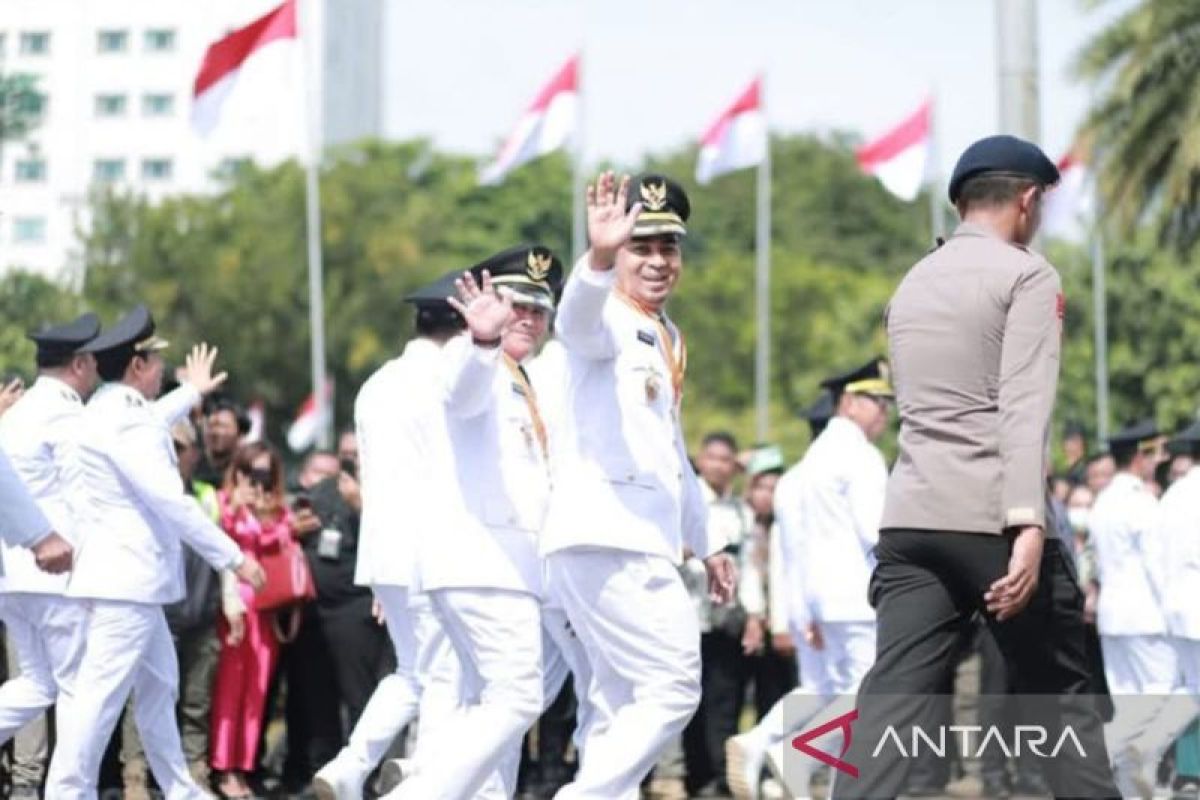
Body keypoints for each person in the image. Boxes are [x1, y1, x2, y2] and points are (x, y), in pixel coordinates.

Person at [829, 135, 1119, 799]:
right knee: (1063, 704)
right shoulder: (1027, 274)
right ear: (1027, 199)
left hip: (910, 522)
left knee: (891, 705)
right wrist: (1027, 526)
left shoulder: (912, 283)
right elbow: (1022, 408)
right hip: (989, 516)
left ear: (961, 203)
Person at [542, 172, 736, 799]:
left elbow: (673, 455)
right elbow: (572, 321)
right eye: (640, 247)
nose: (657, 262)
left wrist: (705, 543)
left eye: (668, 248)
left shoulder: (664, 334)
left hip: (628, 537)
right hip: (610, 533)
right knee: (675, 685)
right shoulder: (605, 321)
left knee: (620, 700)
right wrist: (596, 258)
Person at [44, 304, 266, 799]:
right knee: (99, 699)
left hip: (118, 579)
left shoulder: (106, 411)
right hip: (130, 583)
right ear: (138, 366)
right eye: (156, 360)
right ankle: (64, 792)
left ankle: (182, 791)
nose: (164, 369)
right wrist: (233, 557)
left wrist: (191, 392)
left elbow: (149, 420)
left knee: (157, 692)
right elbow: (173, 502)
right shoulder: (131, 424)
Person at [387, 245, 565, 799]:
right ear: (487, 307)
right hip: (484, 563)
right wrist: (482, 337)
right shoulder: (473, 359)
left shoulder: (521, 376)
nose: (528, 320)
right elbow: (461, 394)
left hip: (502, 567)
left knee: (488, 710)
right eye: (516, 305)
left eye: (540, 310)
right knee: (517, 698)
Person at [312, 270, 470, 800]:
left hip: (385, 551)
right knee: (447, 672)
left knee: (413, 671)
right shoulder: (448, 379)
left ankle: (349, 767)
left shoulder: (378, 382)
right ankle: (424, 775)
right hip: (435, 548)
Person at [727, 359, 892, 800]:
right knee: (874, 692)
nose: (886, 412)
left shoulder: (805, 468)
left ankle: (765, 745)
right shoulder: (861, 456)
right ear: (851, 402)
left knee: (825, 689)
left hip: (818, 597)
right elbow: (878, 534)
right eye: (879, 401)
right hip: (859, 594)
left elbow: (792, 550)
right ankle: (799, 756)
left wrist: (800, 610)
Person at [0, 313, 103, 798]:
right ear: (80, 363)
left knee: (37, 685)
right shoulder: (66, 414)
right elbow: (83, 494)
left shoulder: (17, 411)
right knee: (80, 690)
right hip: (55, 571)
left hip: (14, 575)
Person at [1089, 420, 1181, 794]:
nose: (1159, 462)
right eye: (1155, 454)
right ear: (1140, 457)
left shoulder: (1105, 500)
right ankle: (1107, 752)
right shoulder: (1139, 501)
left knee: (1130, 704)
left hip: (1114, 617)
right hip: (1146, 617)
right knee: (1163, 701)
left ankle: (1130, 787)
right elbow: (1158, 565)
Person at [210, 442, 293, 799]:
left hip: (267, 609)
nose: (258, 482)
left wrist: (267, 515)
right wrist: (235, 507)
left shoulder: (277, 510)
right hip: (232, 609)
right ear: (238, 470)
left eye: (266, 474)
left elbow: (284, 538)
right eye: (251, 472)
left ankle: (245, 767)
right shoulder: (222, 503)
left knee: (257, 693)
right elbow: (214, 536)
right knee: (229, 691)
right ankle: (222, 766)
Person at [684, 431, 755, 797]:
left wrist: (754, 616)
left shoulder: (740, 510)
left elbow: (750, 565)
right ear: (700, 458)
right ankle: (695, 776)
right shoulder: (687, 497)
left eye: (726, 460)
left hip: (727, 621)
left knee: (725, 701)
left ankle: (719, 776)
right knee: (687, 702)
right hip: (688, 618)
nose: (717, 465)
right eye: (711, 457)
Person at [196, 397, 249, 486]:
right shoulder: (192, 466)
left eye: (223, 426)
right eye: (211, 426)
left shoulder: (246, 471)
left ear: (240, 433)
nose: (216, 432)